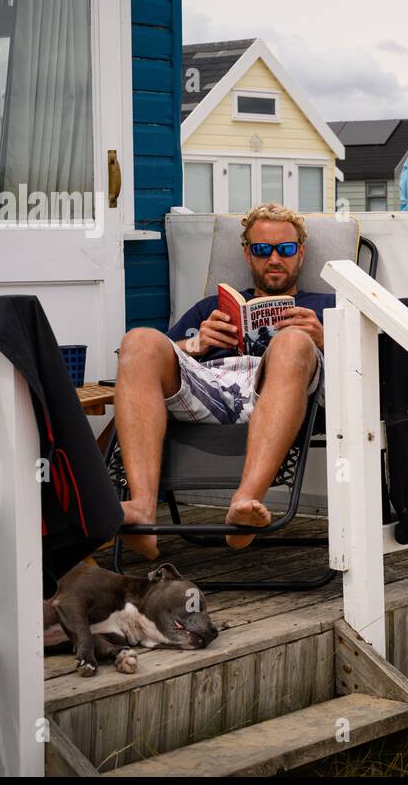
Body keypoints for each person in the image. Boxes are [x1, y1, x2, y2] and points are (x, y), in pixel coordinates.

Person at [114, 203, 334, 557]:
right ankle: (141, 507)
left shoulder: (328, 306)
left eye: (286, 249)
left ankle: (245, 503)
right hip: (209, 388)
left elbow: (370, 369)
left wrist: (325, 339)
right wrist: (194, 344)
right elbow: (145, 361)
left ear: (301, 252)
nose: (274, 258)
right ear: (248, 254)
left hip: (277, 392)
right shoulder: (210, 308)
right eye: (262, 250)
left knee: (293, 341)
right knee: (138, 340)